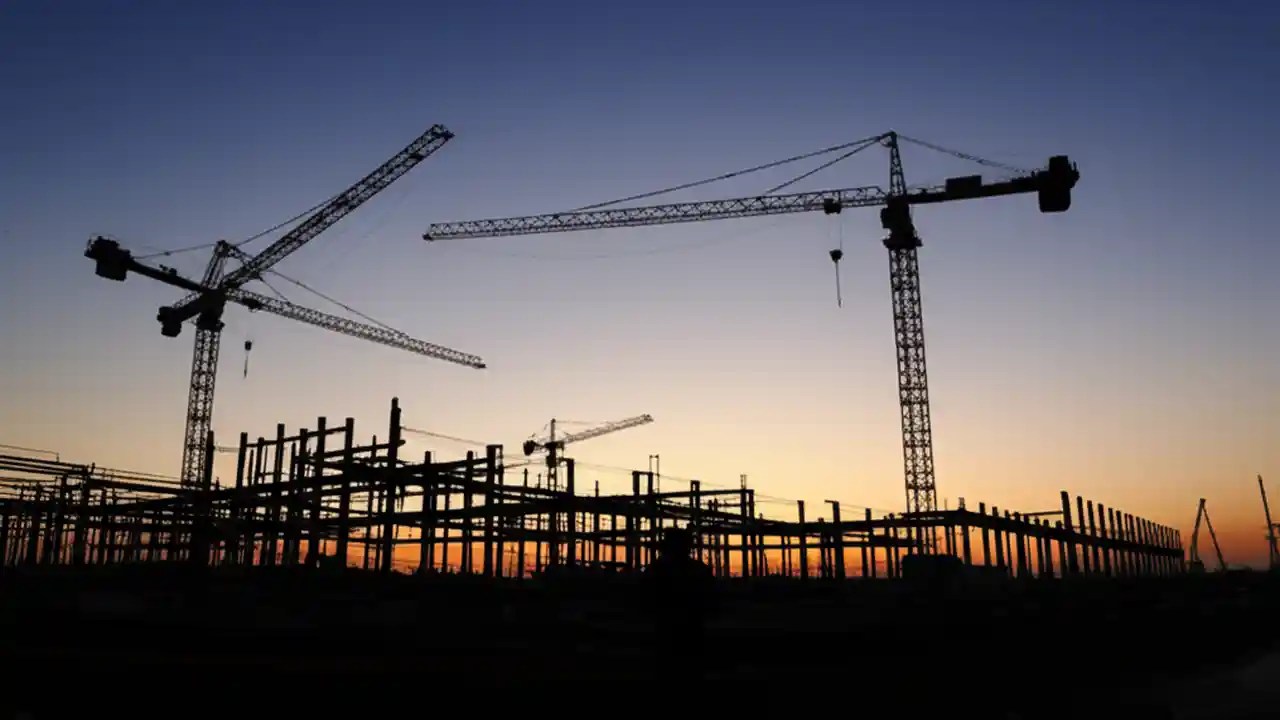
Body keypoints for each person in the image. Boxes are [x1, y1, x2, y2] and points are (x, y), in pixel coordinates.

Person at [641, 527, 715, 661]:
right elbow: (711, 601)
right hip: (692, 630)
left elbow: (644, 600)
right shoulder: (699, 570)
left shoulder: (656, 569)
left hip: (665, 630)